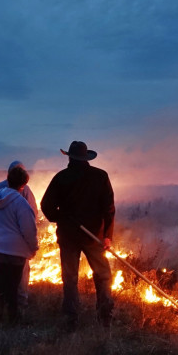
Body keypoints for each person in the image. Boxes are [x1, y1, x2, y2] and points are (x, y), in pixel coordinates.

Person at [40, 140, 115, 328]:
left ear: (70, 157)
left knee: (70, 277)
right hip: (94, 237)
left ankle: (70, 319)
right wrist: (107, 236)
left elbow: (46, 206)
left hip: (69, 236)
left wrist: (59, 218)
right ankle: (105, 318)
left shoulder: (61, 178)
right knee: (103, 275)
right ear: (85, 157)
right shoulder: (100, 176)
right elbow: (109, 209)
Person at [0, 165, 39, 324]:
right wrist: (33, 247)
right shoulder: (21, 203)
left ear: (8, 180)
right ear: (23, 184)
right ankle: (13, 319)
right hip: (16, 251)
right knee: (14, 285)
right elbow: (29, 229)